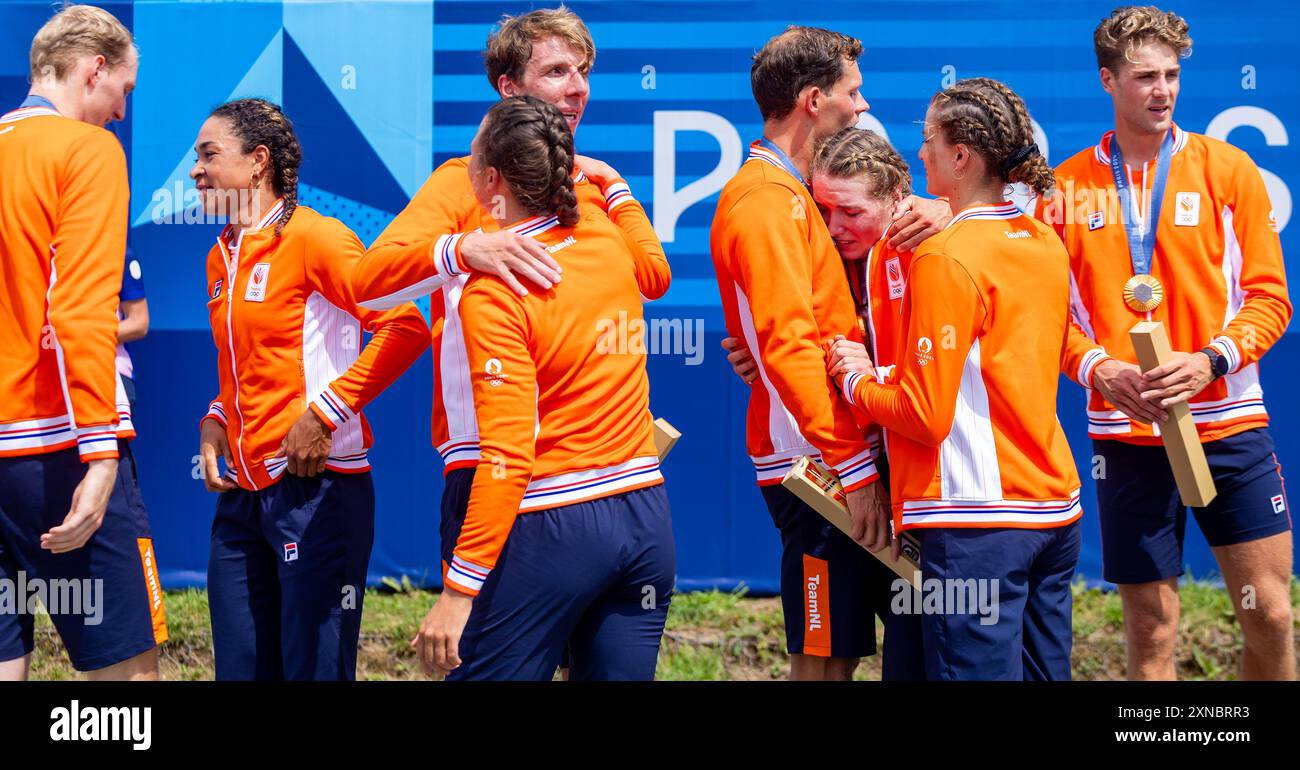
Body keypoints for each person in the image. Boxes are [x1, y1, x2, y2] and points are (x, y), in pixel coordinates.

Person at [351, 6, 671, 677]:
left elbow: (652, 276)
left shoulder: (591, 192)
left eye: (585, 71)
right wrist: (462, 248)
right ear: (509, 88)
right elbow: (368, 287)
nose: (579, 86)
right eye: (557, 70)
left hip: (549, 490)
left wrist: (616, 192)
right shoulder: (460, 182)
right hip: (506, 477)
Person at [1038, 6, 1293, 680]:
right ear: (1107, 80)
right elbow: (1047, 322)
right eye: (1145, 76)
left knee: (1269, 613)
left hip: (1227, 425)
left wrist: (1210, 360)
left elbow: (1270, 300)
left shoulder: (1228, 170)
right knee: (1151, 628)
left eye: (1172, 75)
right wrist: (1100, 369)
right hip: (1129, 439)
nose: (1163, 90)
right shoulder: (1064, 190)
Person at [411, 96, 674, 680]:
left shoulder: (493, 289)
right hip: (645, 518)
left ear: (490, 179)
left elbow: (506, 453)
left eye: (472, 155)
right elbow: (657, 272)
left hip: (553, 524)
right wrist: (619, 190)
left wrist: (458, 592)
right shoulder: (607, 238)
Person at [831, 78, 1082, 680]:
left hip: (973, 521)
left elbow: (924, 413)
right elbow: (992, 363)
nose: (920, 155)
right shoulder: (1043, 238)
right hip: (1053, 510)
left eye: (928, 141)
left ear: (962, 156)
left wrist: (855, 379)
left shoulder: (943, 255)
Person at [191, 98, 429, 680]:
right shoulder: (219, 256)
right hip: (242, 499)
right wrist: (216, 418)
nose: (195, 171)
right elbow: (249, 366)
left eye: (208, 155)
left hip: (317, 491)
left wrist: (325, 413)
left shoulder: (318, 238)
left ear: (257, 163)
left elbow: (407, 324)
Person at [711, 27, 899, 682]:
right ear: (815, 100)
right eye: (854, 92)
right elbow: (789, 345)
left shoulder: (795, 193)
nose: (864, 107)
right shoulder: (766, 201)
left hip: (843, 454)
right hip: (817, 468)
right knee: (823, 661)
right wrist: (853, 467)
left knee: (865, 653)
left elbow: (801, 330)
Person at [0, 3, 164, 682]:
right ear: (94, 69)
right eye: (124, 90)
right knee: (128, 693)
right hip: (57, 445)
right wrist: (100, 459)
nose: (123, 111)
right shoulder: (88, 149)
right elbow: (77, 312)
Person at [116, 247, 148, 411]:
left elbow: (139, 322)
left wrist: (88, 335)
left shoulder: (118, 253)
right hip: (54, 376)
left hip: (113, 378)